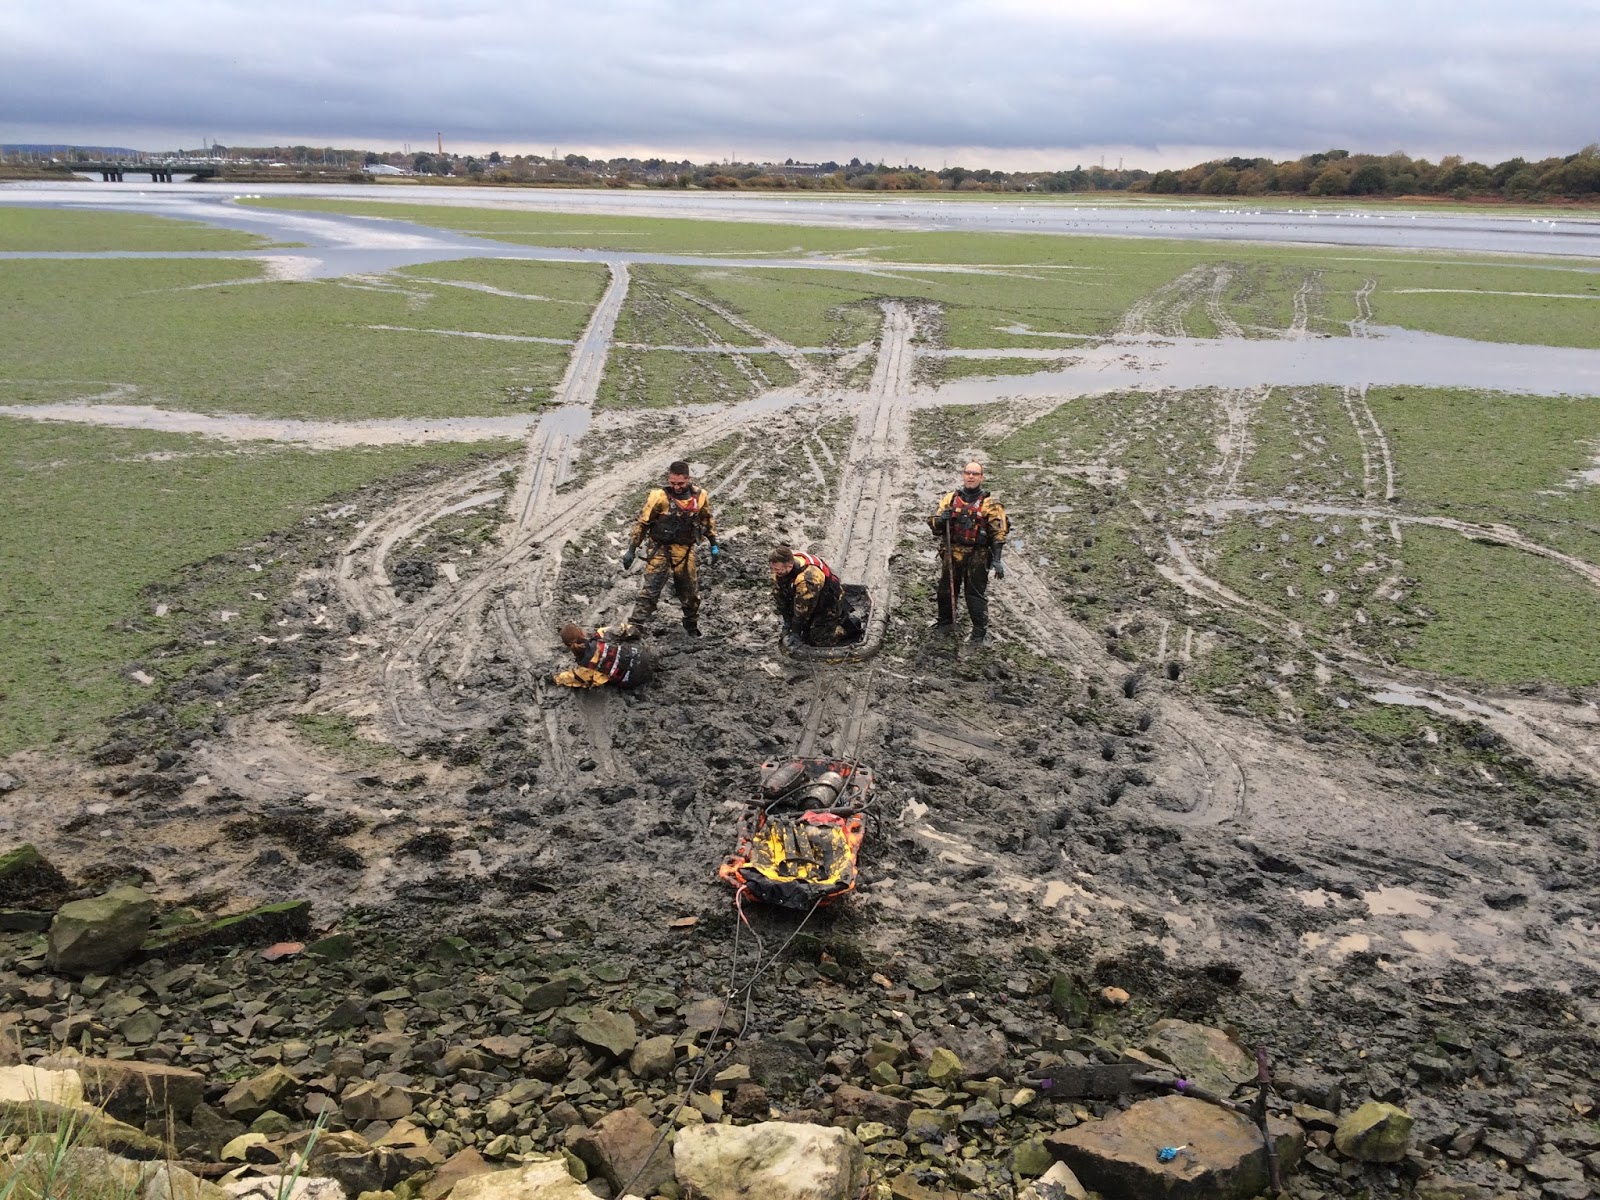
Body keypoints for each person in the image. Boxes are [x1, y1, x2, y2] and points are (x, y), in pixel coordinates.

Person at [623, 460, 719, 637]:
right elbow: (643, 523)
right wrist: (632, 548)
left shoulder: (700, 497)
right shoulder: (659, 497)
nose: (676, 487)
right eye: (672, 483)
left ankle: (691, 625)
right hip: (660, 548)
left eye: (680, 484)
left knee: (689, 591)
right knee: (651, 588)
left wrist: (713, 543)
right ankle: (635, 625)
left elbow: (707, 519)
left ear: (688, 479)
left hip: (684, 550)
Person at [929, 461, 1009, 643]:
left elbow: (998, 533)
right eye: (968, 473)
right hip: (952, 551)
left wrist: (997, 560)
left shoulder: (991, 504)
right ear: (963, 475)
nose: (971, 476)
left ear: (981, 477)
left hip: (977, 555)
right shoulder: (950, 499)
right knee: (946, 590)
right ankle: (945, 623)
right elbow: (934, 524)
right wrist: (941, 519)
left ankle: (979, 632)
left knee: (974, 594)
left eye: (975, 474)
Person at [770, 544, 862, 647]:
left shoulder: (808, 578)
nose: (774, 572)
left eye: (777, 570)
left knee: (818, 639)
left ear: (789, 566)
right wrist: (787, 622)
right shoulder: (781, 569)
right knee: (803, 627)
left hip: (828, 602)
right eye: (773, 568)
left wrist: (795, 631)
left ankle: (846, 628)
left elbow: (803, 609)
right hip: (806, 597)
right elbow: (780, 597)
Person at [551, 622, 654, 690]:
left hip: (635, 680)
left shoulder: (585, 668)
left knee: (604, 678)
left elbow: (568, 678)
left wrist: (555, 678)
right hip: (644, 655)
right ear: (582, 632)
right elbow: (629, 629)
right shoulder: (602, 633)